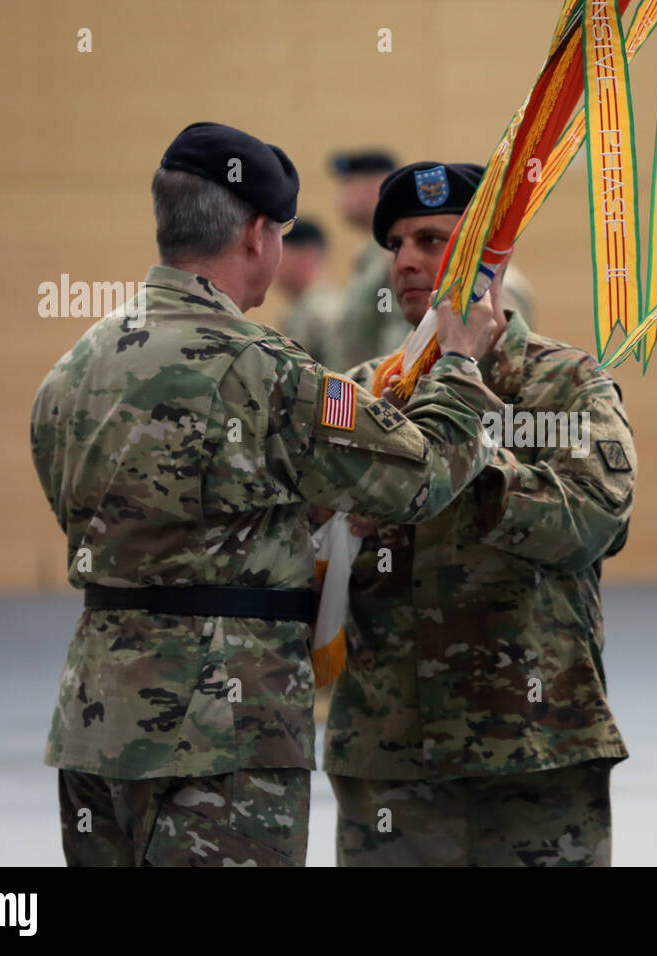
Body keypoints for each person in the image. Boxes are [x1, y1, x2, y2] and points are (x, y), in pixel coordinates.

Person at [30, 124, 505, 866]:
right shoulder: (263, 369)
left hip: (94, 724)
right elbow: (420, 475)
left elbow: (115, 510)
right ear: (257, 234)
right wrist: (463, 370)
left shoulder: (73, 368)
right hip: (222, 731)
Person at [324, 161, 637, 866]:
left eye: (432, 242)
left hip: (533, 755)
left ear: (491, 257)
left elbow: (592, 523)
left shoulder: (565, 383)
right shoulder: (358, 394)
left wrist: (468, 437)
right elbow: (298, 538)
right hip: (390, 761)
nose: (406, 260)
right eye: (397, 244)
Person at [330, 150, 408, 370]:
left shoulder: (392, 253)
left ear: (377, 188)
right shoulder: (370, 257)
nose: (338, 196)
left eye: (347, 184)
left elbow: (397, 334)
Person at [273, 217, 344, 364]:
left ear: (307, 256)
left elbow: (341, 377)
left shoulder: (323, 313)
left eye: (279, 253)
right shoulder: (304, 309)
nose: (272, 263)